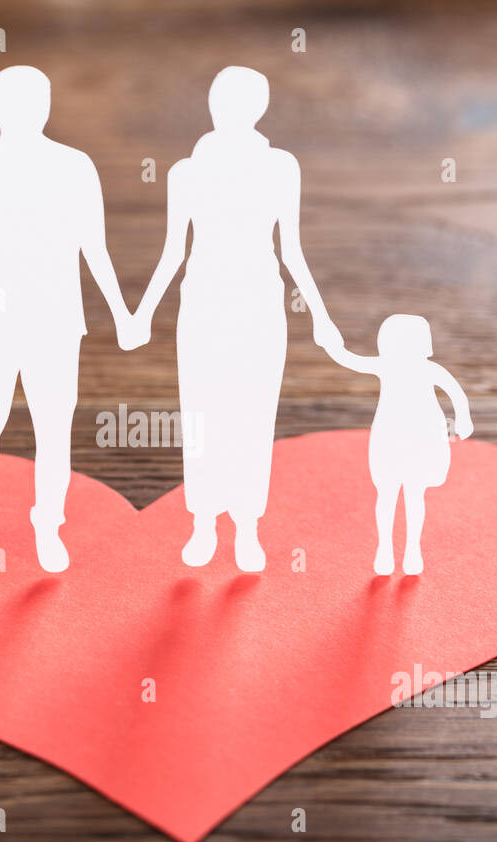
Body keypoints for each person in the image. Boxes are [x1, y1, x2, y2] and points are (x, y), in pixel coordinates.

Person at [133, 66, 342, 572]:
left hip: (259, 303)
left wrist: (320, 316)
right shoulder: (186, 173)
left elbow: (291, 250)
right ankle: (204, 524)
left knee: (252, 413)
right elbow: (173, 253)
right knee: (204, 414)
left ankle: (246, 527)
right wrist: (141, 314)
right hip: (204, 301)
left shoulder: (280, 168)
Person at [0, 65, 139, 573]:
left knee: (51, 428)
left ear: (45, 108)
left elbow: (95, 248)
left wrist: (122, 314)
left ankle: (48, 526)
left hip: (53, 321)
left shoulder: (74, 167)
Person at [326, 314, 473, 575]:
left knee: (408, 494)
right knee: (391, 494)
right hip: (390, 437)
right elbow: (350, 360)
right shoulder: (388, 366)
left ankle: (411, 550)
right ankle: (385, 549)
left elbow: (456, 394)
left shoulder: (425, 369)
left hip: (418, 436)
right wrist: (332, 345)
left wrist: (463, 418)